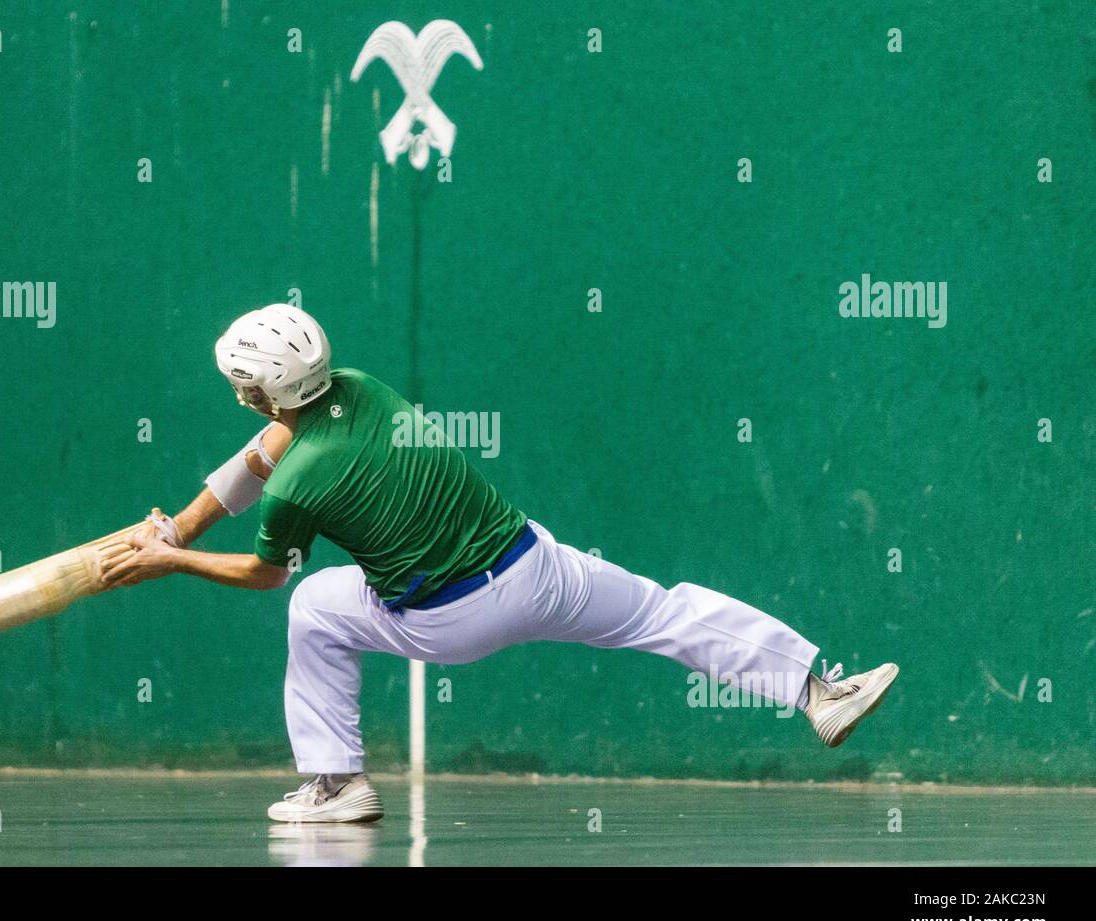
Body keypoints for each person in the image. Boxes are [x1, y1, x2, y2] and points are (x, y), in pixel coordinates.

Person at [100, 304, 900, 823]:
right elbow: (266, 448)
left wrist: (175, 560)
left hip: (448, 622)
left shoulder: (295, 489)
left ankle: (339, 785)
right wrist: (178, 524)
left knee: (313, 604)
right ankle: (815, 688)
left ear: (257, 390)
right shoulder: (359, 387)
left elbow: (264, 572)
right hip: (537, 567)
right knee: (664, 609)